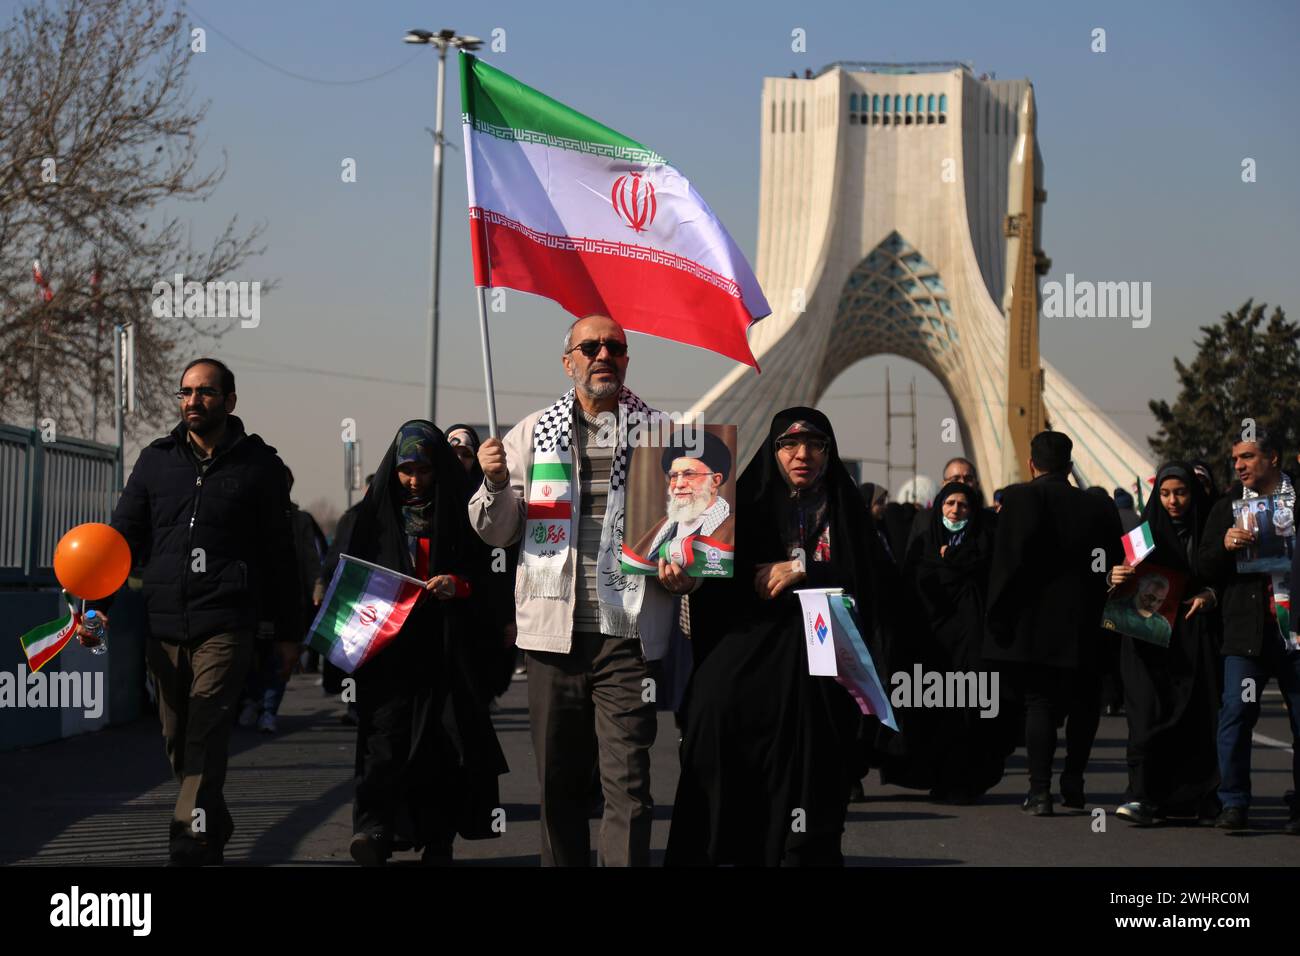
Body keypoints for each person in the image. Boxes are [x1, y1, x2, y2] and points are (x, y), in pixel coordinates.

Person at [468, 315, 686, 866]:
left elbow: (693, 528)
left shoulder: (665, 435)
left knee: (630, 788)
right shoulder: (531, 432)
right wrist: (494, 484)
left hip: (627, 636)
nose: (602, 355)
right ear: (569, 361)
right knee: (558, 788)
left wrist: (685, 568)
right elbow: (496, 529)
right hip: (551, 638)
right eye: (589, 347)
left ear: (627, 360)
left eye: (614, 346)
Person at [77, 358, 301, 865]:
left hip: (227, 621)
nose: (193, 401)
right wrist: (96, 610)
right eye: (186, 393)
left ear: (229, 401)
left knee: (205, 723)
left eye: (205, 392)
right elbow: (121, 540)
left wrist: (289, 633)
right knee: (177, 737)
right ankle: (211, 821)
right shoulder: (156, 461)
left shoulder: (259, 466)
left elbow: (280, 555)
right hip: (164, 625)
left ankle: (189, 837)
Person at [666, 408, 894, 865]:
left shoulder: (847, 514)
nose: (802, 455)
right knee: (712, 711)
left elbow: (876, 583)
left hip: (825, 663)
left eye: (815, 445)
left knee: (814, 778)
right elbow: (715, 578)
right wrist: (685, 578)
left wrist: (806, 570)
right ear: (773, 452)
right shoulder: (744, 508)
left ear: (829, 454)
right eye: (789, 445)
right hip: (756, 652)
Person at [339, 421, 507, 865]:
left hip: (448, 650)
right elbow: (353, 577)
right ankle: (374, 829)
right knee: (384, 738)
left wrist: (459, 585)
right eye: (405, 470)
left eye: (424, 470)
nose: (414, 481)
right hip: (388, 651)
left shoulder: (464, 514)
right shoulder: (375, 517)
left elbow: (490, 576)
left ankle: (439, 838)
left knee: (442, 748)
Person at [985, 431, 1121, 816]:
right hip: (1086, 623)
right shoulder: (1096, 505)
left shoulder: (1022, 498)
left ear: (1032, 464)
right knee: (1083, 704)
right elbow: (1111, 562)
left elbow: (1007, 564)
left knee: (1040, 704)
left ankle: (1040, 791)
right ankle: (1073, 782)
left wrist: (998, 616)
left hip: (1036, 625)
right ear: (1069, 465)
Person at [1106, 462, 1220, 827]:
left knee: (1194, 716)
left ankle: (1196, 796)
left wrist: (1209, 594)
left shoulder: (1207, 531)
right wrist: (1114, 574)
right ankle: (1140, 794)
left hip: (1191, 635)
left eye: (1181, 493)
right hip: (1146, 637)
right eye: (1167, 494)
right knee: (1145, 714)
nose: (1174, 501)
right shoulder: (1143, 532)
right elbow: (1121, 573)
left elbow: (1226, 576)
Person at [1197, 432, 1300, 834]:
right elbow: (1204, 566)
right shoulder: (1226, 508)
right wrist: (1224, 545)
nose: (1238, 465)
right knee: (1236, 715)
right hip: (1247, 635)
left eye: (1248, 456)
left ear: (1272, 458)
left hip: (1294, 634)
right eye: (1235, 458)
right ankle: (1234, 802)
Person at [900, 481, 1012, 802]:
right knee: (936, 712)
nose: (955, 511)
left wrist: (960, 561)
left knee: (971, 712)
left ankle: (966, 780)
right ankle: (937, 777)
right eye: (949, 504)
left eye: (962, 505)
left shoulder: (986, 545)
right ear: (939, 507)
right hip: (934, 646)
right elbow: (912, 589)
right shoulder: (924, 545)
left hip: (973, 645)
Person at [240, 465, 326, 734]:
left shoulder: (300, 520)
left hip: (289, 599)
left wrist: (317, 588)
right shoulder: (249, 516)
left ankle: (269, 709)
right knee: (252, 655)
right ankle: (252, 700)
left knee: (283, 657)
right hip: (255, 599)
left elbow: (311, 560)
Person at [446, 423, 517, 701]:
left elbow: (504, 564)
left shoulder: (489, 502)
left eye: (465, 454)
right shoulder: (430, 500)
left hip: (482, 613)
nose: (458, 460)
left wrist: (508, 618)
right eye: (451, 452)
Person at [626, 431, 734, 568]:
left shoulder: (730, 529)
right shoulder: (663, 527)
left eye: (689, 474)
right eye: (674, 476)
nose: (679, 484)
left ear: (714, 481)